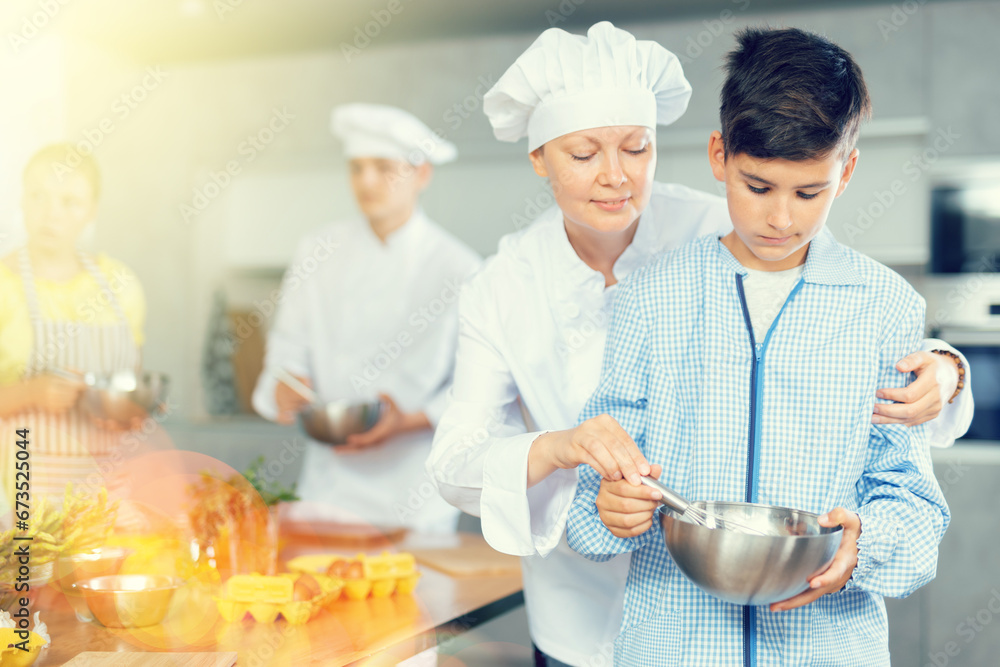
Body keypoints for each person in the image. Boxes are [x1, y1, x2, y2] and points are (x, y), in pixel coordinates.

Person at [427, 22, 971, 667]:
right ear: (539, 158)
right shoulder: (523, 287)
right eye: (582, 155)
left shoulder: (765, 240)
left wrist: (948, 368)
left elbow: (901, 473)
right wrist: (565, 457)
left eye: (636, 148)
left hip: (816, 638)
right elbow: (463, 461)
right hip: (629, 618)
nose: (615, 178)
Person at [567, 27, 951, 665]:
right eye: (757, 187)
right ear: (719, 156)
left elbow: (911, 501)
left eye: (809, 193)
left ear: (847, 171)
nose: (781, 219)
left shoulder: (883, 306)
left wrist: (868, 543)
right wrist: (610, 505)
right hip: (671, 644)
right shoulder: (651, 298)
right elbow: (592, 490)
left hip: (825, 646)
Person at [252, 104, 480, 533]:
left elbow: (477, 385)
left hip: (413, 494)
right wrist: (287, 379)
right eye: (356, 168)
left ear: (422, 174)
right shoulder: (317, 249)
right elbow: (288, 343)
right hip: (329, 486)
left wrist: (409, 420)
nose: (367, 181)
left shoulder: (459, 267)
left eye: (383, 167)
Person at [0, 144, 146, 505]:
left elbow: (132, 385)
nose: (52, 214)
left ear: (91, 211)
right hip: (23, 480)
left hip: (109, 479)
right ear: (21, 200)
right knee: (33, 560)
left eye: (70, 202)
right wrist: (30, 393)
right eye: (39, 196)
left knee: (114, 558)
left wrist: (130, 407)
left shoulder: (119, 284)